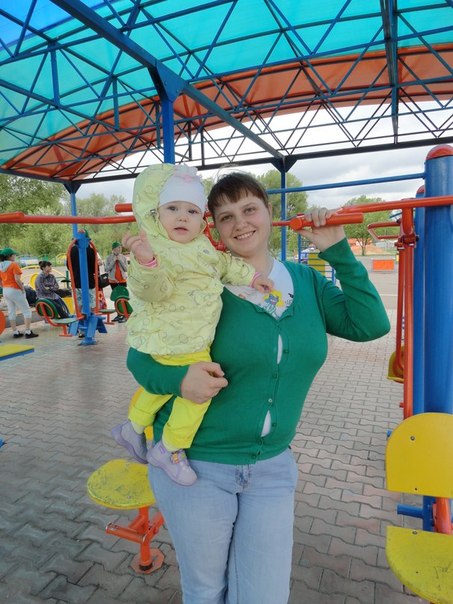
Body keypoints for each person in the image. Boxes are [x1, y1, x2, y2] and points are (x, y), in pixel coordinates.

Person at [124, 171, 391, 604]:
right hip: (197, 464)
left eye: (249, 209)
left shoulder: (305, 282)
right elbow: (139, 357)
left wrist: (338, 251)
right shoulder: (199, 280)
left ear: (269, 212)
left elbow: (370, 324)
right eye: (225, 216)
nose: (240, 223)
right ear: (212, 227)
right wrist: (179, 380)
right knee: (206, 591)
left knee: (264, 594)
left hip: (272, 468)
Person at [112, 163, 273, 486]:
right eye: (172, 208)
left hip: (191, 337)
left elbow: (224, 264)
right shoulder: (156, 250)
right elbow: (151, 291)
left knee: (162, 388)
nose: (182, 217)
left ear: (202, 220)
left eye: (191, 211)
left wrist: (252, 277)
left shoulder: (202, 248)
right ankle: (170, 448)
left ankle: (133, 426)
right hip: (174, 336)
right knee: (200, 392)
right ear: (156, 214)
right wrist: (146, 262)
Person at [0, 248, 39, 339]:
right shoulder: (13, 265)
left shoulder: (0, 266)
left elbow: (0, 281)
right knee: (27, 311)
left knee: (11, 311)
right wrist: (22, 289)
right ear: (9, 256)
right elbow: (17, 279)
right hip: (15, 290)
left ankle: (15, 332)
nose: (15, 256)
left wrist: (4, 287)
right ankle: (28, 332)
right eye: (14, 255)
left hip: (5, 290)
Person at [68, 231, 97, 314]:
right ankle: (91, 317)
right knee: (91, 303)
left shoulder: (71, 250)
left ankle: (78, 317)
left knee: (78, 304)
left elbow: (69, 266)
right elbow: (94, 267)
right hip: (88, 281)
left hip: (76, 281)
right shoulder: (90, 250)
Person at [105, 241, 128, 322]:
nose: (120, 249)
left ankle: (125, 315)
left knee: (123, 298)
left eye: (120, 247)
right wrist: (113, 261)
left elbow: (126, 269)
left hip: (122, 280)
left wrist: (120, 260)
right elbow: (107, 269)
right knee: (116, 298)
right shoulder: (108, 258)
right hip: (113, 281)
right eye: (118, 248)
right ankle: (119, 315)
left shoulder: (123, 257)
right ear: (114, 249)